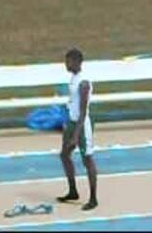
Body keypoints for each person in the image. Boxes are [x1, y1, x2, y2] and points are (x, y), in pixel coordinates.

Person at [57, 49, 98, 211]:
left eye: (68, 61)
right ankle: (73, 190)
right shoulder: (73, 79)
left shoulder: (84, 83)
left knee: (87, 159)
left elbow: (83, 111)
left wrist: (75, 135)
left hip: (82, 125)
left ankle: (93, 198)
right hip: (72, 123)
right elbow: (72, 104)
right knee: (64, 155)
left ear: (76, 62)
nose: (66, 64)